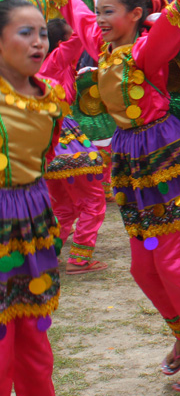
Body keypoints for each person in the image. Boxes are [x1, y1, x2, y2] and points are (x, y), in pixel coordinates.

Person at [26, 0, 180, 392]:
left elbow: (179, 19)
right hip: (131, 162)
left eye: (110, 12)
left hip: (166, 159)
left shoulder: (147, 47)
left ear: (136, 14)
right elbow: (73, 7)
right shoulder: (101, 46)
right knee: (143, 267)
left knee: (176, 264)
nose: (99, 18)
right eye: (100, 11)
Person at [0, 0, 65, 396]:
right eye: (26, 33)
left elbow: (46, 154)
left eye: (43, 33)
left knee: (35, 340)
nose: (39, 42)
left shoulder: (52, 95)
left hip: (35, 221)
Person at [39, 19, 108, 273]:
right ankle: (80, 258)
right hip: (64, 138)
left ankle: (47, 253)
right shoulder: (58, 57)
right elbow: (82, 34)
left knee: (62, 207)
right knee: (93, 199)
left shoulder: (41, 64)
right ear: (60, 43)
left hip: (45, 141)